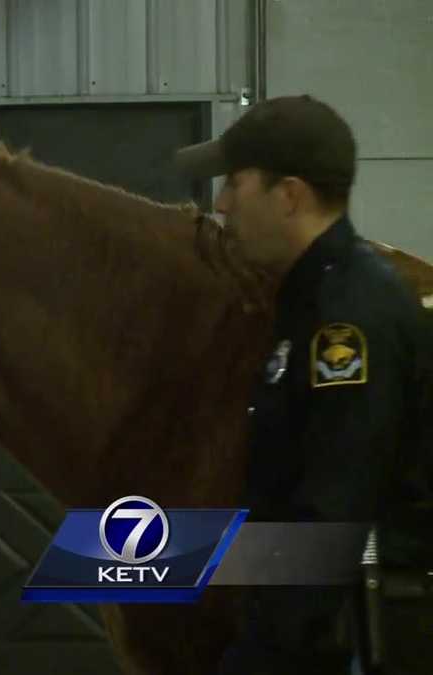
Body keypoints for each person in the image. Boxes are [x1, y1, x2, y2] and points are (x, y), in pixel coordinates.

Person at [174, 95, 433, 674]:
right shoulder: (306, 300)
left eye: (234, 183)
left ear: (289, 196)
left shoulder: (349, 320)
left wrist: (256, 659)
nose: (221, 205)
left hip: (349, 638)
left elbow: (331, 522)